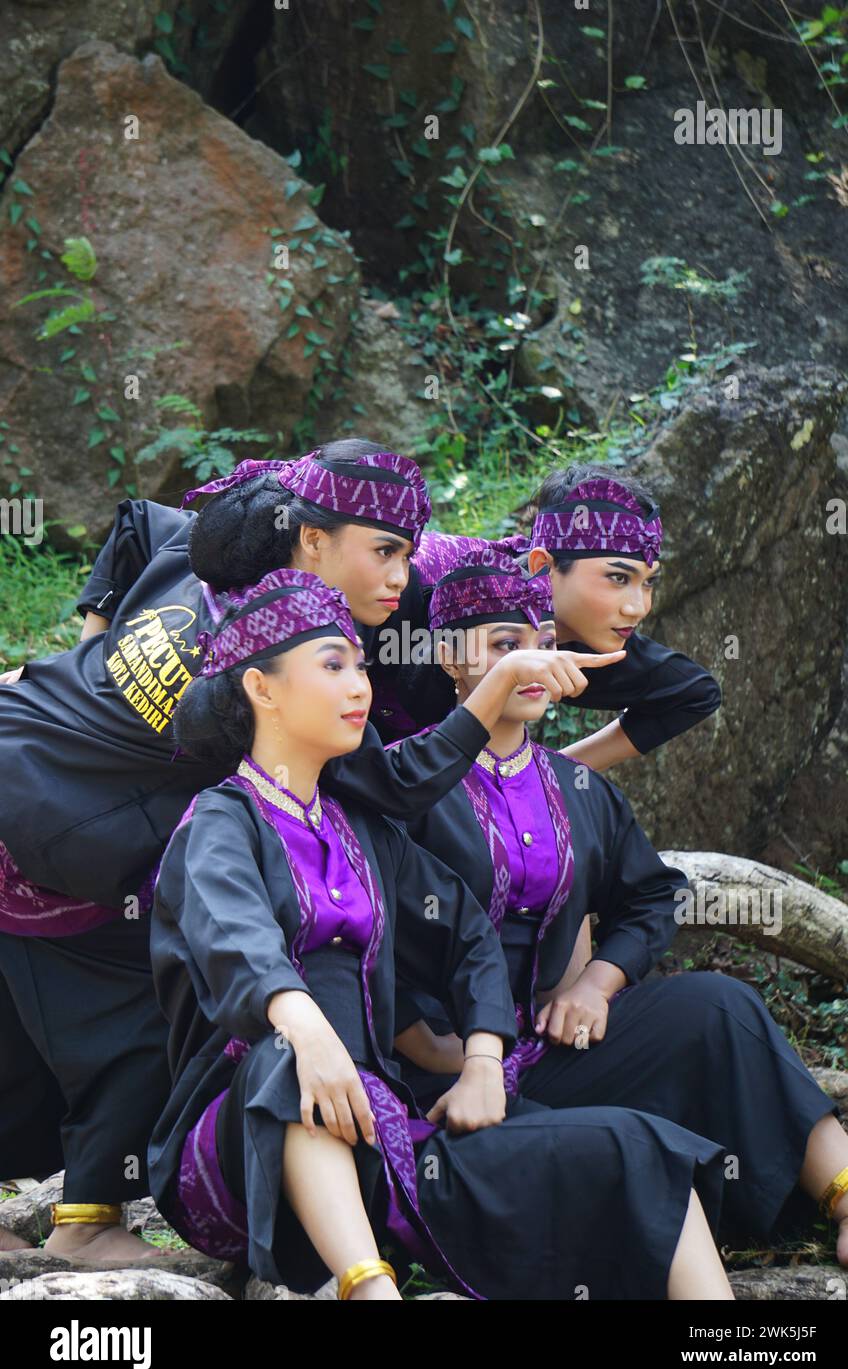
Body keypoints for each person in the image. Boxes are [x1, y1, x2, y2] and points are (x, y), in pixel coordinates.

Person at [0, 440, 617, 1262]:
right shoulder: (274, 643)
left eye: (408, 552)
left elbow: (138, 527)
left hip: (29, 742)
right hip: (55, 820)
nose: (400, 579)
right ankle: (89, 1223)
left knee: (44, 1008)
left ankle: (83, 1218)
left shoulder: (227, 538)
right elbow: (387, 786)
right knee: (159, 988)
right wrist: (496, 694)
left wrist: (91, 655)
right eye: (385, 553)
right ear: (316, 541)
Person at [148, 566, 738, 1300]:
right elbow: (235, 941)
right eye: (333, 666)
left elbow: (466, 936)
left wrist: (485, 1061)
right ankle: (368, 1289)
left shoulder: (361, 827)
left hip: (382, 1127)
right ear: (262, 689)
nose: (360, 686)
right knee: (284, 1058)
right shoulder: (218, 823)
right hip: (241, 1145)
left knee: (638, 1146)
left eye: (361, 666)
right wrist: (309, 1031)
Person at [391, 546, 848, 1271]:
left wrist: (597, 982)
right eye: (505, 647)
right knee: (619, 1141)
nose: (534, 665)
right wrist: (435, 1050)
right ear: (447, 657)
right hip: (451, 1082)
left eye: (543, 646)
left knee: (718, 1005)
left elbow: (653, 894)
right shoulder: (405, 786)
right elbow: (359, 936)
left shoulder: (578, 789)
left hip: (552, 1053)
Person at [371, 465, 720, 771]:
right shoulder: (422, 575)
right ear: (544, 566)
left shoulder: (593, 636)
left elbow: (692, 692)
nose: (638, 607)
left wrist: (552, 780)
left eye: (649, 582)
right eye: (618, 578)